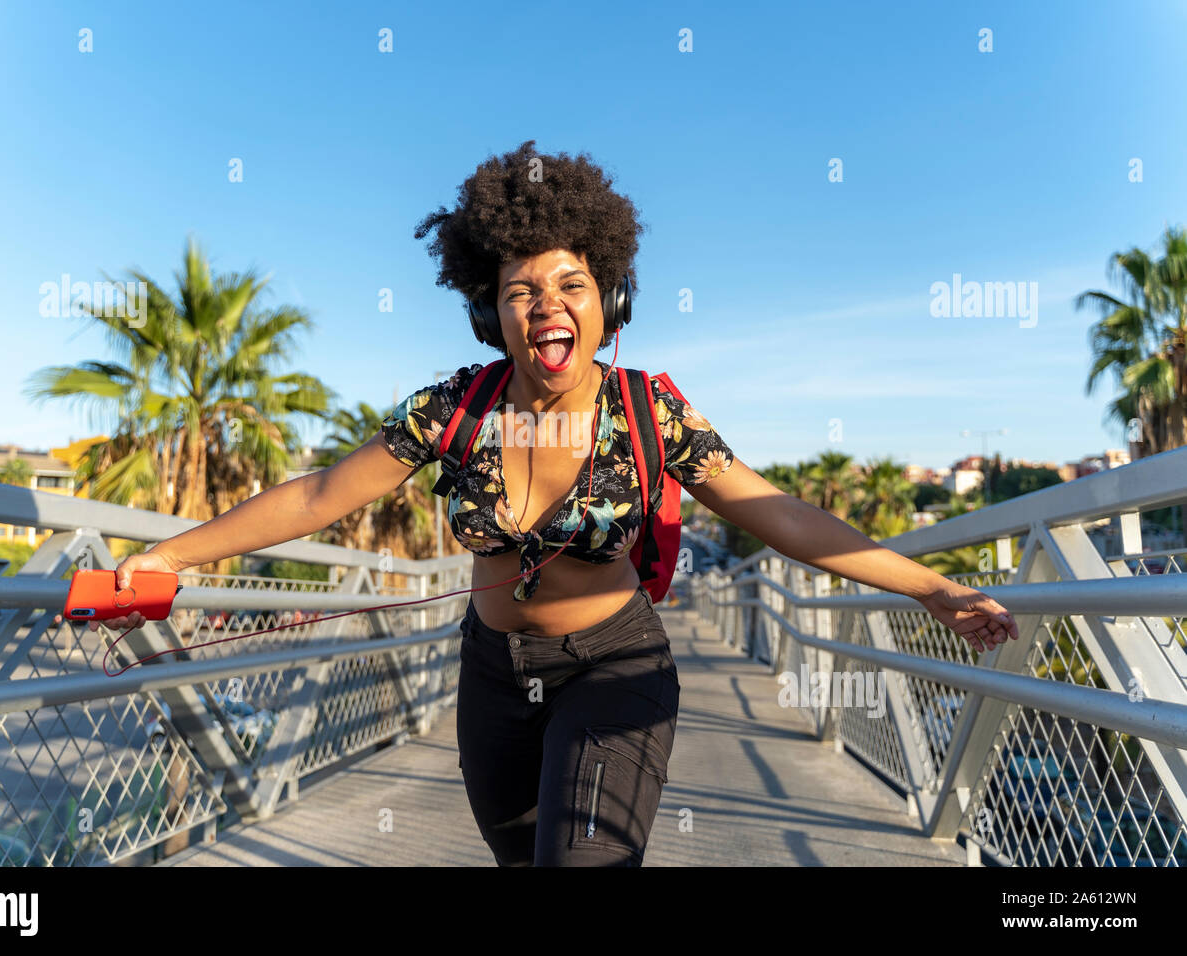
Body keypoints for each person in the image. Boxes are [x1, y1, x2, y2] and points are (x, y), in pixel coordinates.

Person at [81, 140, 1019, 867]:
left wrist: (927, 587)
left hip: (616, 668)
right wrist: (173, 558)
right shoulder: (454, 408)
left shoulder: (652, 411)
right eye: (519, 290)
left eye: (571, 283)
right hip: (494, 674)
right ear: (493, 313)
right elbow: (322, 495)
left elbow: (780, 513)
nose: (545, 305)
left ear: (605, 299)